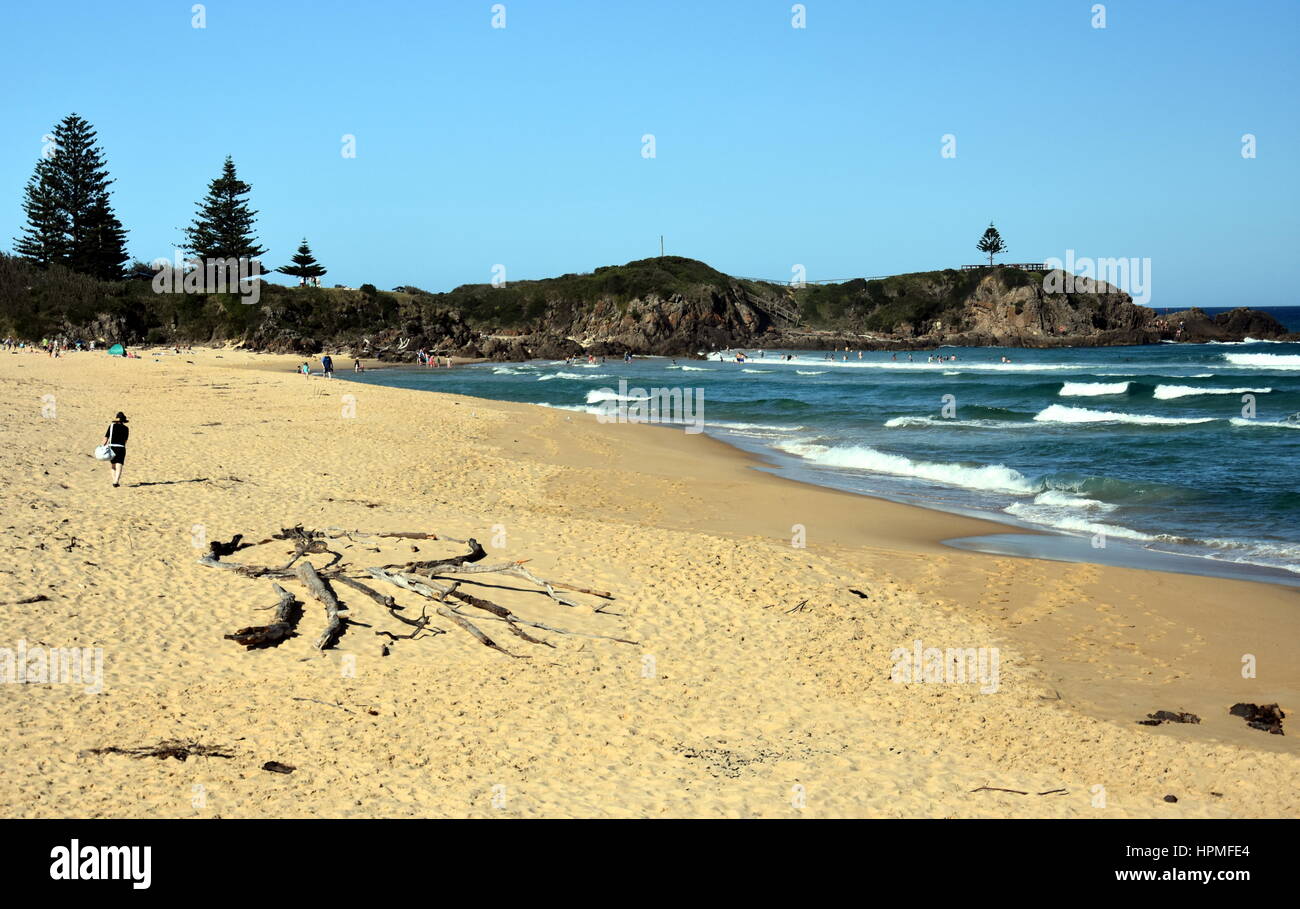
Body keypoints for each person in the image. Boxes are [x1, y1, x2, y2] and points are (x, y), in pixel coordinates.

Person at [102, 412, 129, 487]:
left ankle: (114, 480)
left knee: (113, 465)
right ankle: (116, 481)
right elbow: (125, 440)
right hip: (121, 447)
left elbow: (106, 437)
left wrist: (102, 446)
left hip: (112, 447)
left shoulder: (111, 426)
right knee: (119, 464)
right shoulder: (126, 428)